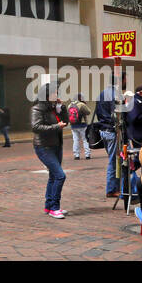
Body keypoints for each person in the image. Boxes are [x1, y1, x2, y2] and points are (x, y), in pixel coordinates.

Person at [31, 85, 68, 218]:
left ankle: (48, 206)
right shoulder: (37, 109)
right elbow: (36, 127)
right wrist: (56, 126)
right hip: (44, 146)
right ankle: (54, 207)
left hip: (56, 145)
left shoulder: (53, 108)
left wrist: (62, 109)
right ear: (47, 95)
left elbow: (66, 122)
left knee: (53, 176)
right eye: (54, 93)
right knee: (60, 175)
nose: (57, 95)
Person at [95, 85, 121, 198]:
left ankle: (115, 187)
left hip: (103, 129)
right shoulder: (113, 94)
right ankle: (111, 189)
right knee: (114, 160)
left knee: (113, 159)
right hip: (111, 130)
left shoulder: (102, 93)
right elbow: (115, 113)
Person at [68, 93, 93, 159]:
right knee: (85, 140)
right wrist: (85, 104)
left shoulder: (70, 105)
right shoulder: (81, 104)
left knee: (75, 140)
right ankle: (87, 155)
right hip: (82, 125)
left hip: (73, 125)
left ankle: (76, 155)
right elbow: (88, 112)